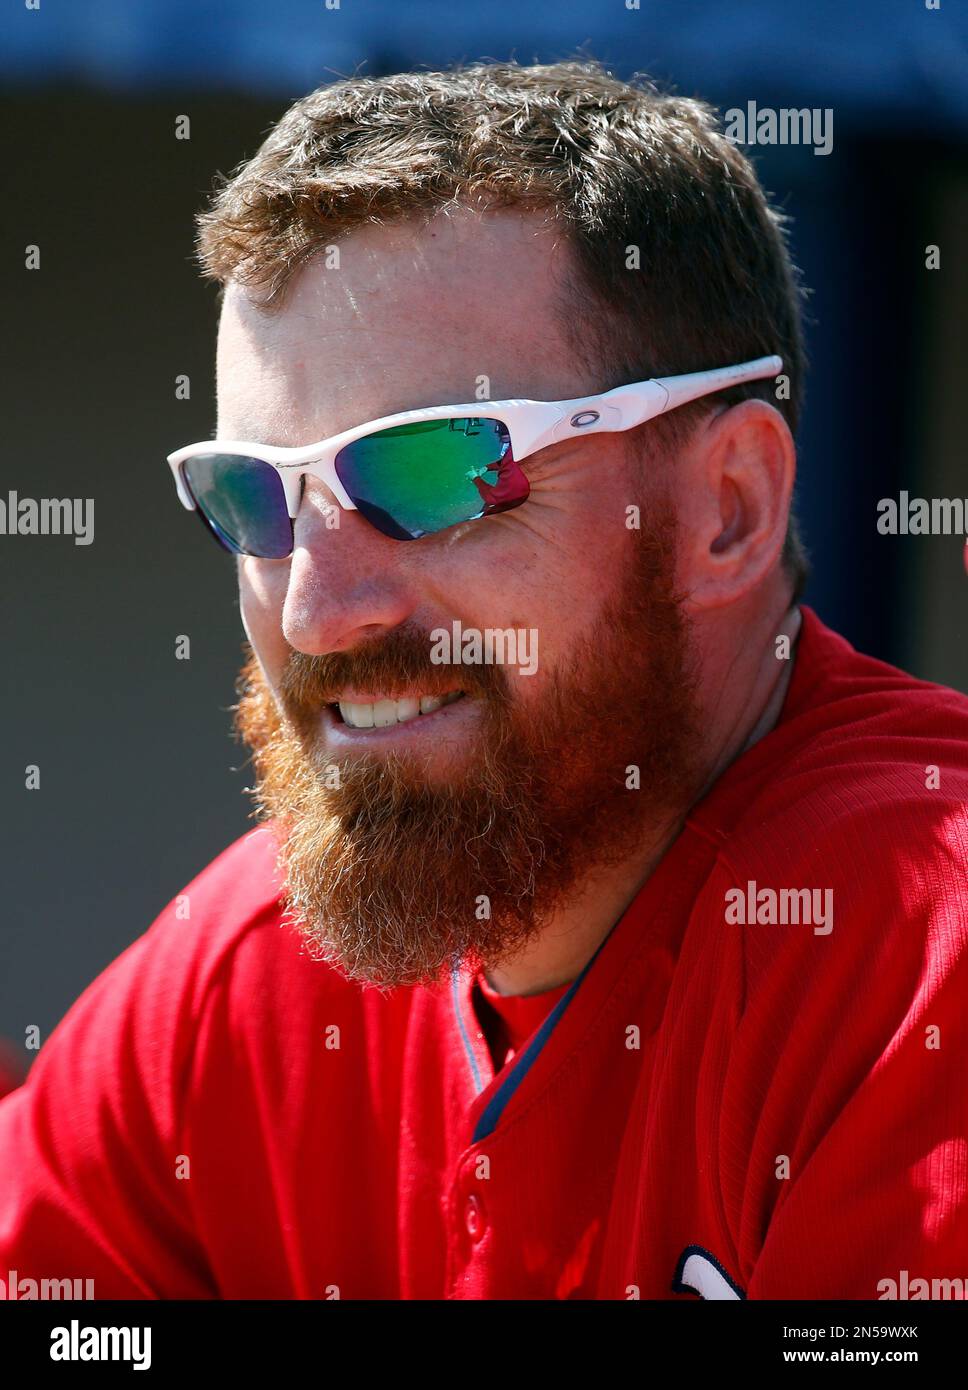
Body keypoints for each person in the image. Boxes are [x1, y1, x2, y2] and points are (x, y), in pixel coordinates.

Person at [1, 59, 966, 1301]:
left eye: (436, 473)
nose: (319, 610)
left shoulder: (913, 955)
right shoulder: (253, 972)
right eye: (253, 498)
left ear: (724, 508)